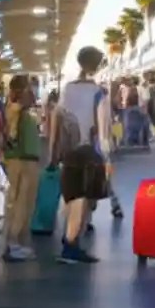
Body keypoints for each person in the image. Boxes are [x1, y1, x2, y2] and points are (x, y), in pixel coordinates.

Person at [48, 46, 116, 264]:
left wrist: (52, 154)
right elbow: (103, 130)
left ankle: (72, 242)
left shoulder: (67, 89)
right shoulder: (99, 93)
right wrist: (107, 158)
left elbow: (55, 122)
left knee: (72, 198)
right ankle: (70, 246)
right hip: (90, 153)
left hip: (68, 153)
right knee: (83, 201)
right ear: (98, 65)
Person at [0, 75, 42, 262]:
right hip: (22, 160)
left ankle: (16, 241)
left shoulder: (19, 110)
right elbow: (12, 135)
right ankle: (14, 242)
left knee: (20, 200)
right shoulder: (16, 111)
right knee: (21, 201)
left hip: (23, 159)